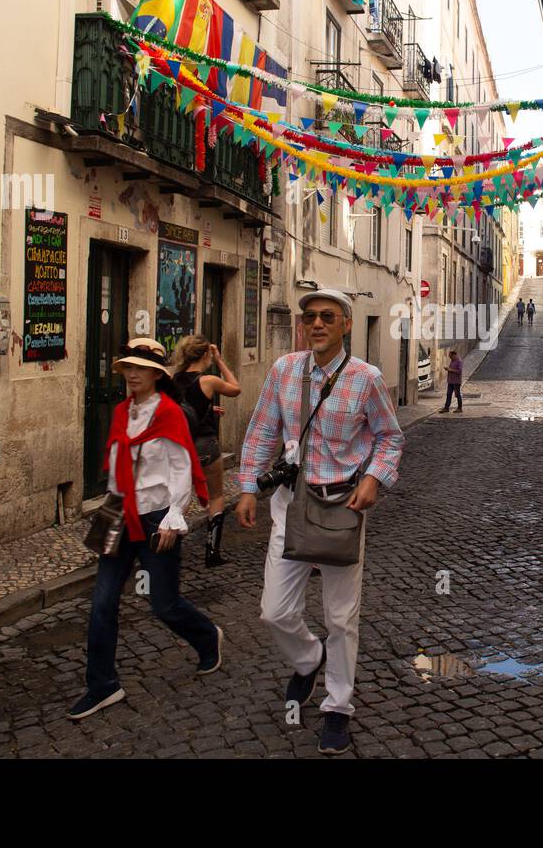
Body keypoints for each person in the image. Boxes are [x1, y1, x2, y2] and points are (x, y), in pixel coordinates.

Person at [236, 289, 403, 755]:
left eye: (327, 316)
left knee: (340, 616)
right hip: (291, 505)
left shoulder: (366, 379)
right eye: (309, 317)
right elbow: (263, 429)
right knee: (274, 610)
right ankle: (309, 660)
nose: (317, 324)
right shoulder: (283, 371)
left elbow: (390, 437)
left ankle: (338, 706)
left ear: (346, 324)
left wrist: (374, 479)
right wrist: (248, 485)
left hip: (341, 509)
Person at [69, 338, 224, 721]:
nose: (132, 374)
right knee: (102, 604)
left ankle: (207, 637)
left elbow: (182, 467)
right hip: (121, 517)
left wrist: (175, 517)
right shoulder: (123, 412)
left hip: (157, 519)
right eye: (127, 368)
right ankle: (103, 685)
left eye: (140, 368)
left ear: (156, 374)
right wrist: (108, 512)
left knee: (164, 605)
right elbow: (120, 463)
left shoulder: (170, 414)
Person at [172, 335, 242, 567]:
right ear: (206, 355)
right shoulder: (209, 381)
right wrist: (221, 361)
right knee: (216, 496)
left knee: (178, 496)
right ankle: (212, 551)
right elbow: (235, 388)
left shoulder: (173, 379)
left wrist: (209, 408)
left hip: (181, 445)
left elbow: (183, 409)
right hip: (205, 445)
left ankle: (169, 546)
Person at [440, 349, 463, 413]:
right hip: (450, 381)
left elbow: (459, 371)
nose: (450, 358)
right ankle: (446, 408)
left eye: (451, 356)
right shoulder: (452, 361)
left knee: (457, 395)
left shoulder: (459, 361)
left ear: (454, 355)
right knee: (448, 394)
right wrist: (448, 369)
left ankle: (459, 408)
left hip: (456, 381)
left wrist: (450, 369)